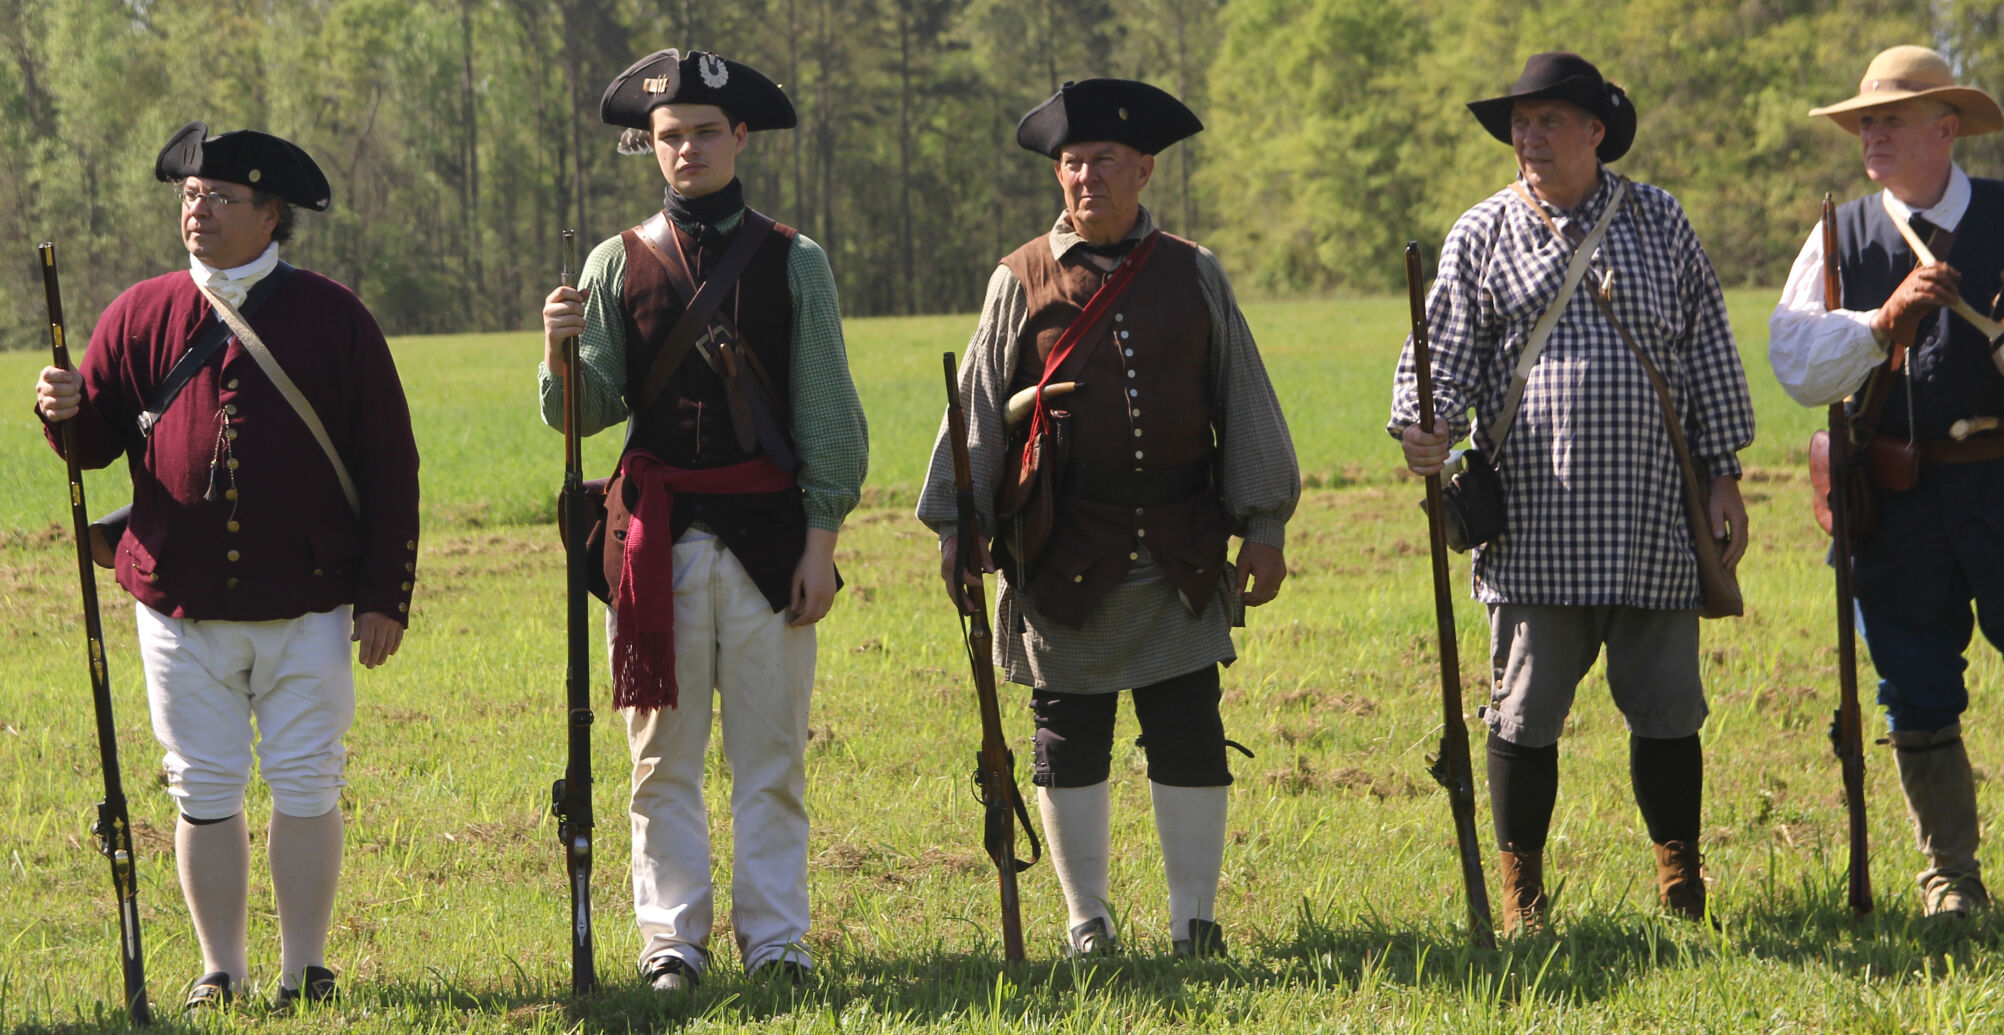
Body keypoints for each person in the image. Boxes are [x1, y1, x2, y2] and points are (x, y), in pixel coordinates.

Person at [32, 122, 419, 1010]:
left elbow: (390, 464)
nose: (197, 211)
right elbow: (96, 446)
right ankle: (222, 969)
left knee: (307, 779)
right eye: (189, 196)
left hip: (309, 598)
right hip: (180, 600)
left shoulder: (335, 316)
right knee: (202, 786)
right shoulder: (138, 312)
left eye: (218, 197)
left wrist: (384, 595)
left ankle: (304, 968)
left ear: (270, 214)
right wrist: (65, 410)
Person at [916, 78, 1298, 958]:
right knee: (1068, 732)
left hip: (1180, 547)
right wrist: (959, 528)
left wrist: (1265, 525)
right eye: (1073, 162)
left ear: (1144, 169)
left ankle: (1194, 920)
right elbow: (976, 409)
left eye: (1105, 160)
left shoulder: (1195, 271)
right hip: (1060, 548)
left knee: (1189, 727)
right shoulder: (1019, 278)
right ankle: (1087, 922)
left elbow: (1243, 399)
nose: (1086, 176)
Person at [1391, 53, 1755, 934]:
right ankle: (1525, 899)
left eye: (1549, 120)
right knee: (1522, 718)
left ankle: (1680, 886)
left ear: (1596, 131)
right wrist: (1424, 428)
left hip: (1654, 517)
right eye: (1521, 123)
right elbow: (1438, 362)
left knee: (1668, 712)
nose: (1531, 136)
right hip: (1534, 526)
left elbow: (1707, 350)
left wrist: (1724, 474)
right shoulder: (1482, 232)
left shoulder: (1661, 220)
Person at [537, 48, 867, 993]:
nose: (688, 149)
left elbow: (829, 418)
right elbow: (585, 410)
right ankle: (671, 941)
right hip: (653, 543)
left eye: (706, 133)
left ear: (741, 137)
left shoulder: (797, 259)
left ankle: (778, 942)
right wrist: (558, 349)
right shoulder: (615, 261)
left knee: (772, 760)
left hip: (770, 542)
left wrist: (820, 544)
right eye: (670, 135)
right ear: (650, 144)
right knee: (660, 764)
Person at [1768, 45, 2004, 918]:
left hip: (2000, 488)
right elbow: (1795, 360)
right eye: (1865, 121)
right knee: (1915, 689)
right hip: (1895, 501)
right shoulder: (1843, 234)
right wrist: (1878, 324)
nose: (1871, 134)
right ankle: (1952, 879)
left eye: (1890, 120)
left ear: (1946, 128)